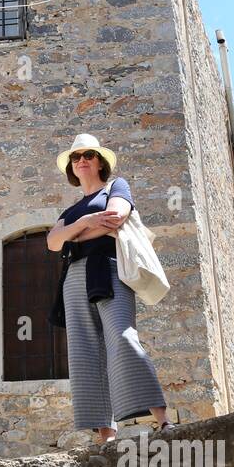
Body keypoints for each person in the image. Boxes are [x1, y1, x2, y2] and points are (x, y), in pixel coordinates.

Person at [47, 134, 172, 443]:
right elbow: (51, 242)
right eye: (76, 157)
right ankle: (106, 434)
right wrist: (88, 221)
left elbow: (115, 218)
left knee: (122, 335)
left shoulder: (117, 187)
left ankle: (163, 419)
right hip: (74, 277)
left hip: (109, 268)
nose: (82, 160)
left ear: (100, 161)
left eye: (88, 154)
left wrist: (71, 234)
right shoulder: (73, 209)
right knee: (84, 351)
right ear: (71, 168)